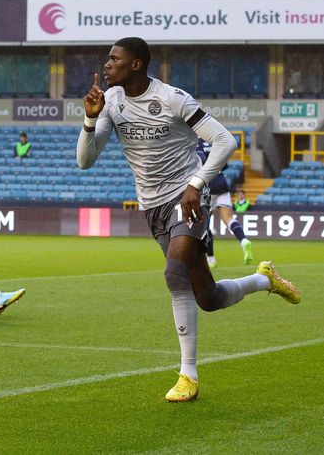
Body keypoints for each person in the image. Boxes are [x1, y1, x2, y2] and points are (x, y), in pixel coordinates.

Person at [77, 37, 300, 402]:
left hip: (187, 198)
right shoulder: (111, 102)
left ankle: (188, 375)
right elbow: (85, 161)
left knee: (173, 272)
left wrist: (196, 183)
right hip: (152, 205)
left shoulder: (172, 99)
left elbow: (224, 141)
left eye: (114, 59)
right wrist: (89, 117)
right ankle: (264, 279)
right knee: (208, 298)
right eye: (107, 59)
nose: (107, 65)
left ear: (136, 65)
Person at [196, 138, 252, 268]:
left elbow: (198, 163)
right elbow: (224, 165)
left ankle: (211, 259)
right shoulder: (212, 142)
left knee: (206, 225)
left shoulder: (195, 144)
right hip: (222, 183)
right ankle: (243, 240)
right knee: (229, 220)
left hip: (208, 185)